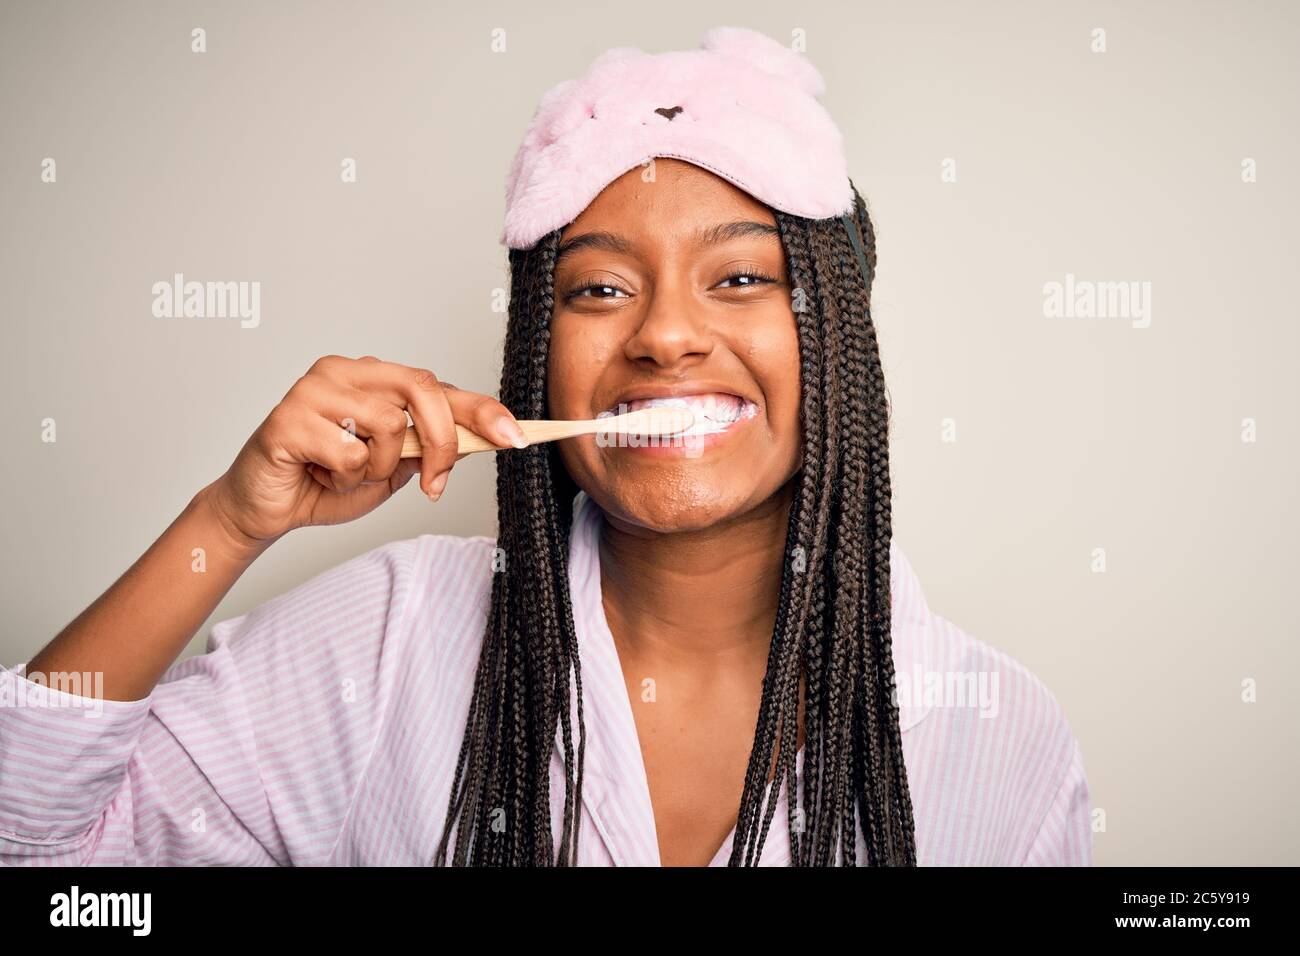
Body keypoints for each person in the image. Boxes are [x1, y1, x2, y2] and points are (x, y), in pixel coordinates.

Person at [0, 26, 1091, 867]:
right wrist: (228, 523)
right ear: (537, 350)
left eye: (740, 276)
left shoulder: (1003, 738)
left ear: (839, 337)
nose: (665, 335)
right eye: (600, 289)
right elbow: (39, 859)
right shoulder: (382, 644)